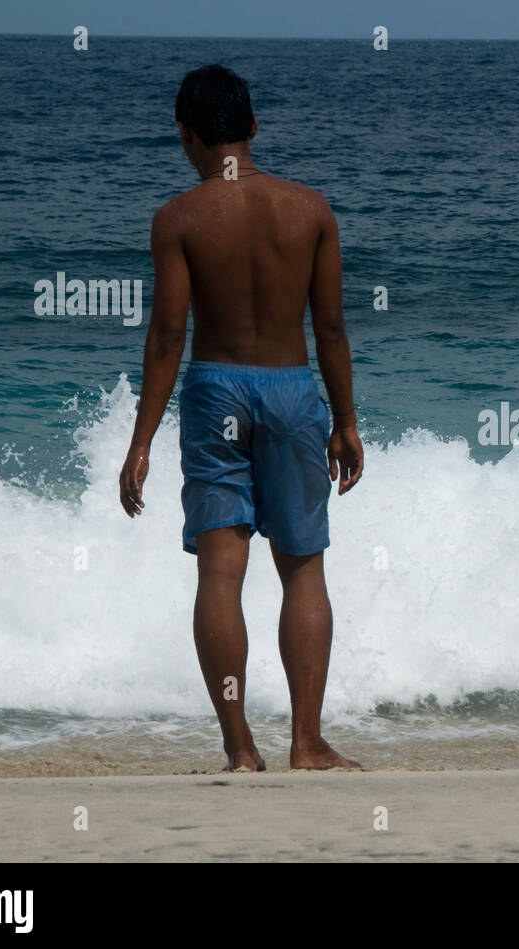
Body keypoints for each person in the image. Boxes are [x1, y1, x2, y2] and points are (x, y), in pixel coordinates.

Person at [119, 65, 363, 772]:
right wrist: (345, 418)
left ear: (185, 135)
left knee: (221, 574)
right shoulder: (311, 209)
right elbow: (333, 325)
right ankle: (307, 743)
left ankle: (241, 747)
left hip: (216, 391)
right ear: (255, 128)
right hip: (293, 389)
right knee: (304, 569)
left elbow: (167, 335)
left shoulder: (180, 218)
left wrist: (141, 442)